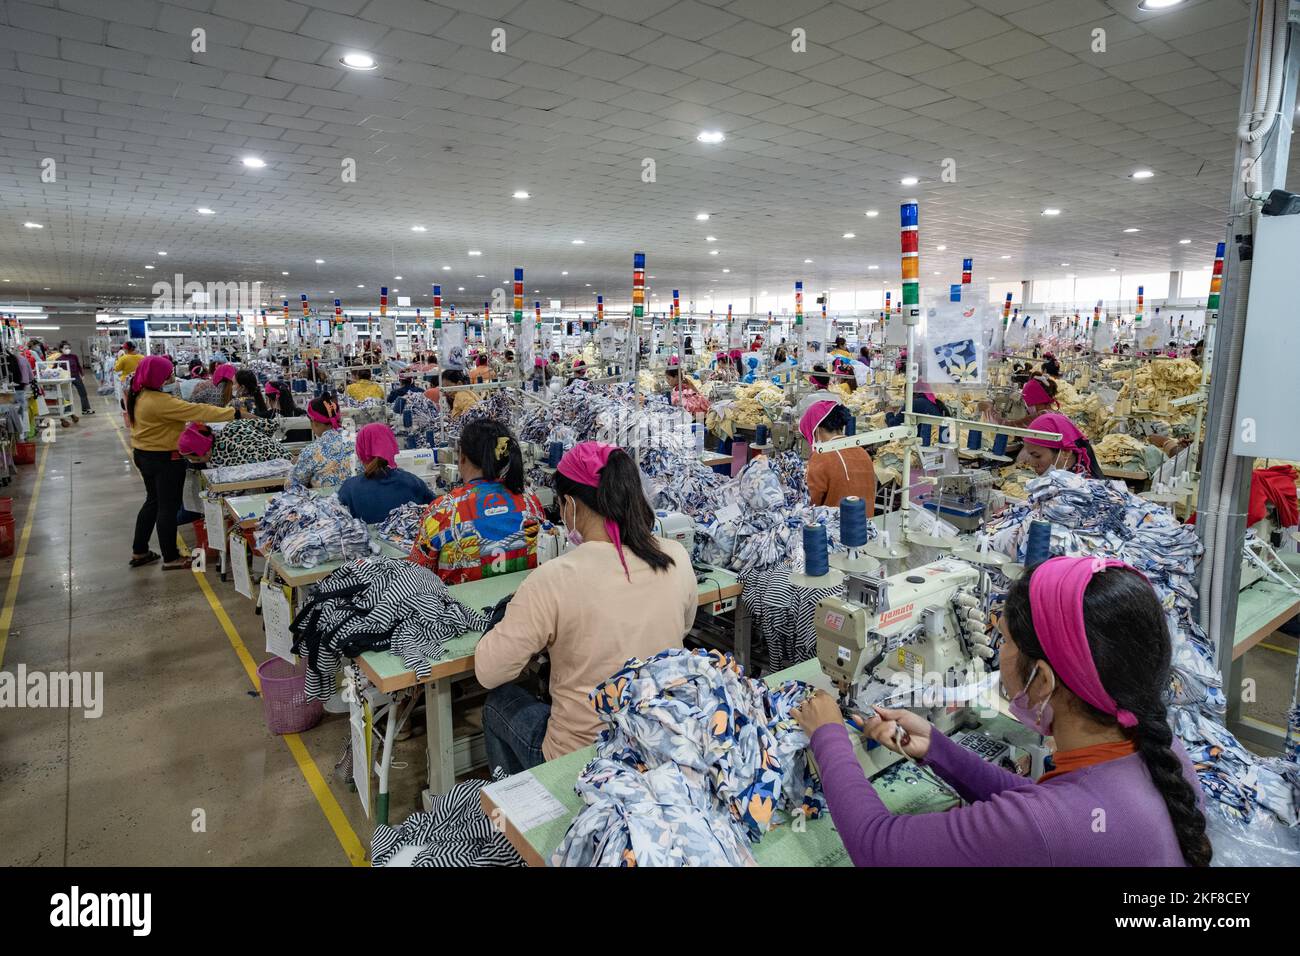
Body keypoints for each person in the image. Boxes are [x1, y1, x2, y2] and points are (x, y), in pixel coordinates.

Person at [794, 556, 1210, 867]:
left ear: (1043, 680)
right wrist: (938, 750)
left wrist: (829, 735)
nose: (1000, 651)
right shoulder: (1161, 751)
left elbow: (875, 846)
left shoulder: (1050, 825)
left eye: (1008, 642)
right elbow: (1037, 806)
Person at [474, 442, 699, 774]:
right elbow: (681, 627)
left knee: (499, 703)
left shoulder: (553, 578)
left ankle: (516, 816)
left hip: (584, 759)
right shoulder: (674, 556)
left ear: (569, 506)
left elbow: (490, 672)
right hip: (657, 742)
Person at [127, 356, 236, 570]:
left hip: (144, 454)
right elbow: (199, 411)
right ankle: (170, 557)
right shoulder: (160, 402)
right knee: (167, 508)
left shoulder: (140, 394)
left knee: (153, 502)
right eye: (168, 374)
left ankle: (139, 550)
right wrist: (234, 413)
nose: (171, 377)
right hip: (164, 459)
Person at [408, 420, 545, 583]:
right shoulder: (531, 503)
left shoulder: (443, 511)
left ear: (462, 458)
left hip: (460, 608)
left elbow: (416, 578)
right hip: (522, 604)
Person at [337, 423, 434, 523]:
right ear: (391, 446)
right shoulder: (414, 482)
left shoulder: (349, 489)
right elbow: (437, 510)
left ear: (360, 450)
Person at [802, 402, 875, 511]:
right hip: (866, 524)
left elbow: (810, 501)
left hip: (835, 525)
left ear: (817, 429)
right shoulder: (862, 452)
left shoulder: (822, 455)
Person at [289, 395, 353, 490]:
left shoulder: (311, 451)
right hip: (359, 500)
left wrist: (298, 462)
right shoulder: (359, 440)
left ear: (314, 422)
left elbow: (291, 486)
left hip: (330, 502)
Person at [1021, 412, 1105, 478]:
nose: (1031, 463)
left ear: (1066, 452)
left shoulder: (1083, 492)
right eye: (1029, 454)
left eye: (1037, 456)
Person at [177, 417, 284, 469]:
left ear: (207, 451)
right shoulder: (232, 425)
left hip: (279, 473)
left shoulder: (218, 460)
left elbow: (231, 490)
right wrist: (262, 440)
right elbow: (271, 424)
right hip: (286, 458)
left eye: (198, 459)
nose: (198, 461)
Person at [57, 342, 94, 416]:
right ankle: (67, 410)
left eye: (69, 348)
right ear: (61, 349)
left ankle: (85, 409)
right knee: (67, 395)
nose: (68, 349)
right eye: (66, 348)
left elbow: (78, 365)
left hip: (76, 376)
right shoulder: (59, 359)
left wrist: (82, 374)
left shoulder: (74, 356)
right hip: (66, 379)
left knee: (83, 393)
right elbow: (55, 369)